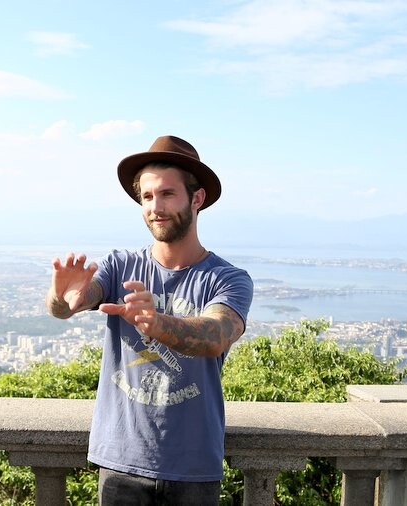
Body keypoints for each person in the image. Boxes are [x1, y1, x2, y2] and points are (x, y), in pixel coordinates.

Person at [46, 135, 253, 504]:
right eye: (147, 196)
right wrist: (62, 299)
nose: (155, 207)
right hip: (120, 463)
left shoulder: (227, 279)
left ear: (197, 198)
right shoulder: (119, 266)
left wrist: (158, 324)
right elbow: (73, 303)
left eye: (167, 194)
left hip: (193, 467)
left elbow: (217, 334)